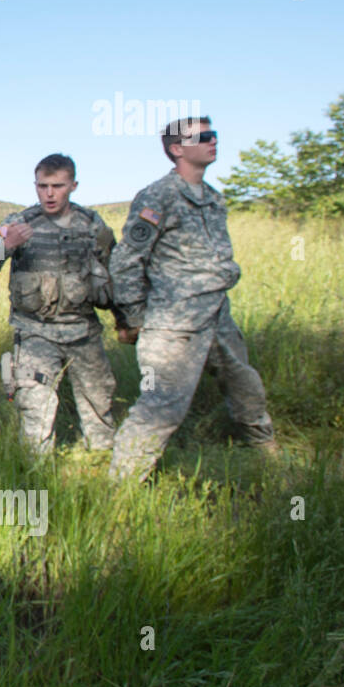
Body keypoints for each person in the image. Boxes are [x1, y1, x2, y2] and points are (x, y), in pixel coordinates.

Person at [108, 118, 277, 481]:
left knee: (245, 385)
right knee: (162, 406)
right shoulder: (158, 196)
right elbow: (126, 261)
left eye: (214, 134)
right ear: (177, 149)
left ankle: (265, 452)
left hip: (217, 313)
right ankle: (119, 487)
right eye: (202, 137)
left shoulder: (213, 198)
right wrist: (133, 318)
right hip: (174, 324)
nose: (213, 141)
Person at [0, 154, 122, 454]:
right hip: (35, 332)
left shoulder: (92, 225)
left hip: (83, 331)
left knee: (99, 405)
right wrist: (6, 245)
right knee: (35, 411)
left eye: (58, 186)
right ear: (35, 186)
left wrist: (126, 319)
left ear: (73, 185)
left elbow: (115, 273)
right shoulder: (17, 224)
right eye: (42, 186)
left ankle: (101, 467)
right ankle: (39, 479)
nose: (49, 194)